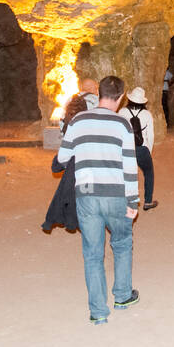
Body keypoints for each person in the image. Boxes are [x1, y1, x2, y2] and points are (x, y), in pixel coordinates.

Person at [57, 75, 140, 324]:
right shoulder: (122, 125)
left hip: (87, 194)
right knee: (122, 243)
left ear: (100, 93)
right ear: (121, 96)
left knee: (93, 253)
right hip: (115, 193)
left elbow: (62, 158)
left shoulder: (78, 120)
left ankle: (98, 312)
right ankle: (123, 296)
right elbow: (129, 165)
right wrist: (133, 201)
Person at [121, 86, 159, 211]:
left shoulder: (122, 112)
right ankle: (148, 201)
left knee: (125, 175)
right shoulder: (147, 114)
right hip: (141, 149)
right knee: (148, 173)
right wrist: (149, 150)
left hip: (126, 149)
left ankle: (124, 201)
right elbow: (151, 135)